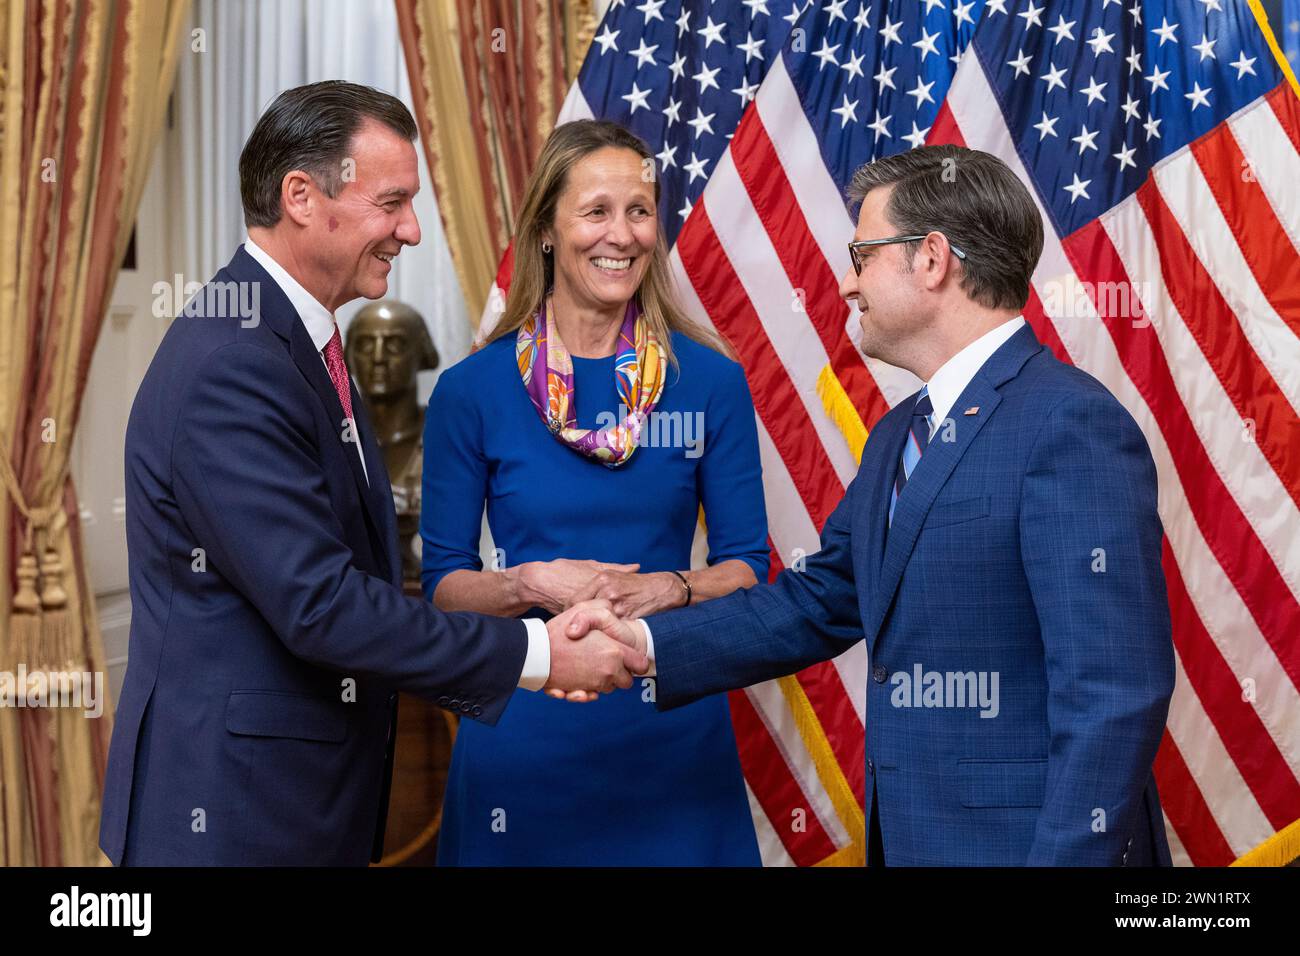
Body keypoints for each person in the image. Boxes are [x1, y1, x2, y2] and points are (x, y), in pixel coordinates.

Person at [567, 144, 1177, 867]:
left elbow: (1113, 691)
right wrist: (645, 644)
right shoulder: (899, 434)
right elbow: (820, 600)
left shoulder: (1068, 424)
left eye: (862, 254)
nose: (848, 284)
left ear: (932, 259)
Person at [100, 82, 644, 867]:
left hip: (288, 803)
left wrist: (525, 594)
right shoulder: (235, 364)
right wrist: (541, 655)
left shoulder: (292, 339)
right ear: (301, 197)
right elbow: (322, 604)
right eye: (392, 202)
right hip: (234, 818)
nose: (412, 230)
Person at [422, 119, 768, 866]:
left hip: (674, 741)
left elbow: (747, 570)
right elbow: (444, 587)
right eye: (597, 211)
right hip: (525, 736)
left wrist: (671, 588)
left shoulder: (711, 383)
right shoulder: (469, 392)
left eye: (639, 211)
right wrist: (529, 582)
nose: (623, 234)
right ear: (547, 230)